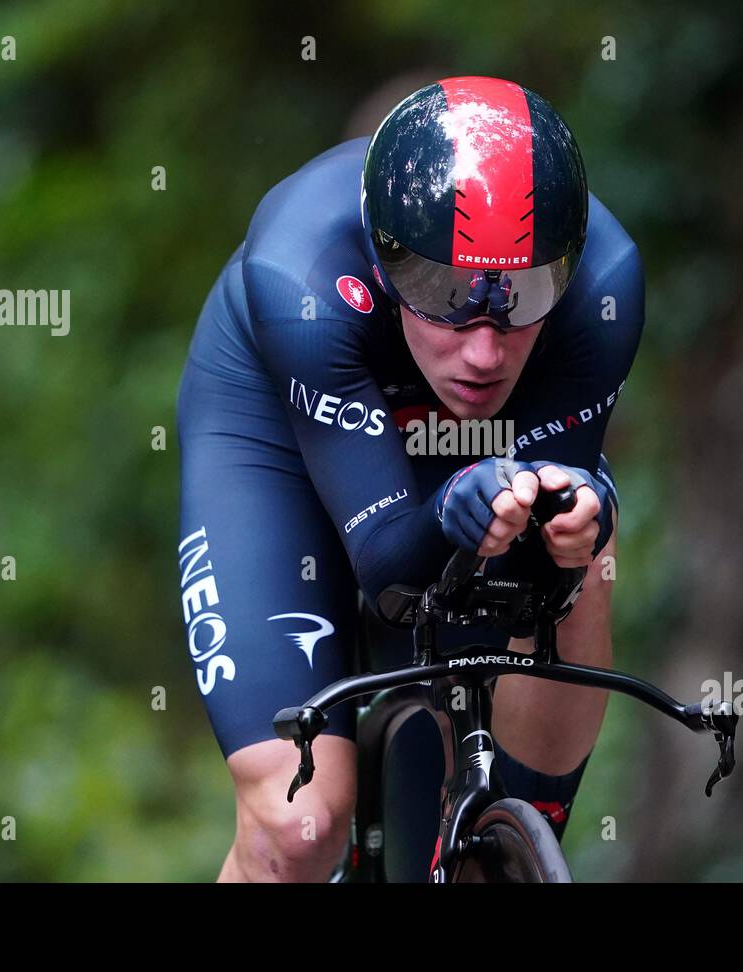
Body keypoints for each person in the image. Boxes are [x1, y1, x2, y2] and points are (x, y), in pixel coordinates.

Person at [176, 75, 644, 882]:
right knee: (299, 828)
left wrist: (584, 516)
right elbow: (393, 571)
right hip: (279, 430)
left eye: (522, 297)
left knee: (579, 571)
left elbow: (553, 544)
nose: (484, 352)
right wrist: (450, 512)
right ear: (384, 257)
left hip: (484, 448)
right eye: (445, 295)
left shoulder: (604, 285)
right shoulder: (302, 274)